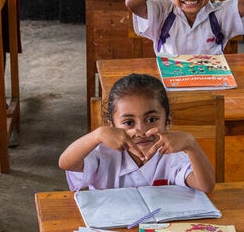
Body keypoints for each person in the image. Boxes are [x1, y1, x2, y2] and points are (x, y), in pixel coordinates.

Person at [60, 73, 215, 193]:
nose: (141, 131)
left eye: (152, 119)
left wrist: (191, 144)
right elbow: (66, 163)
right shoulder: (104, 154)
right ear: (112, 126)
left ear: (167, 121)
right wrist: (97, 135)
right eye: (129, 123)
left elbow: (206, 186)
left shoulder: (172, 155)